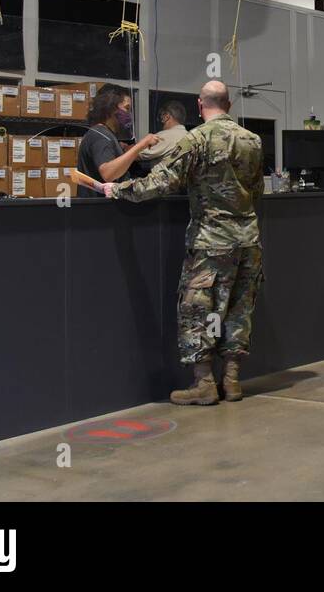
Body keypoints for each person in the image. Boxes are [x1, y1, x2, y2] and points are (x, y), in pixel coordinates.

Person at [102, 81, 266, 406]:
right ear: (229, 105)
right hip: (248, 241)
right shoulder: (253, 141)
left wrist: (119, 190)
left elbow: (161, 181)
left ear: (199, 105)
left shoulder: (197, 140)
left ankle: (204, 383)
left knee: (198, 309)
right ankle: (231, 381)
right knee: (238, 310)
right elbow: (257, 190)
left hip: (210, 244)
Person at [76, 84, 158, 196]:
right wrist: (141, 145)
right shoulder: (100, 136)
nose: (129, 114)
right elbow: (108, 173)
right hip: (100, 209)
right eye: (126, 108)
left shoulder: (104, 135)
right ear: (111, 108)